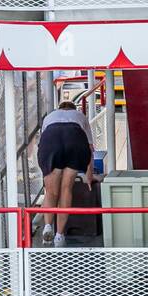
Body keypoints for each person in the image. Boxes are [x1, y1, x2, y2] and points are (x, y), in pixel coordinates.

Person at [37, 100, 94, 247]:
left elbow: (43, 141)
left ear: (60, 108)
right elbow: (90, 147)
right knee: (66, 188)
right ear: (73, 109)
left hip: (51, 140)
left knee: (51, 191)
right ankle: (59, 236)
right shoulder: (80, 116)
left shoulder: (49, 117)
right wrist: (89, 175)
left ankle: (48, 226)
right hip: (75, 139)